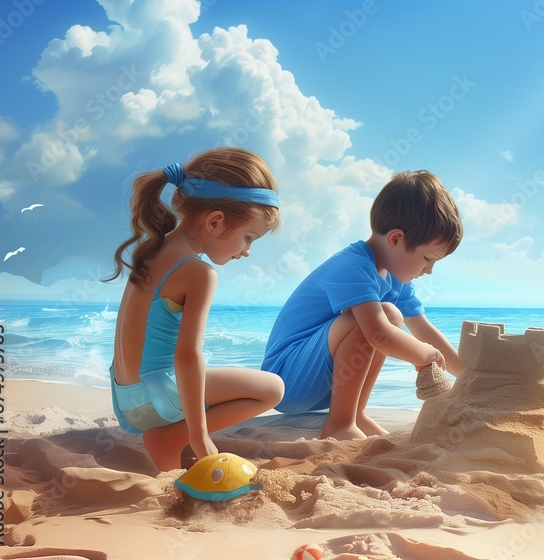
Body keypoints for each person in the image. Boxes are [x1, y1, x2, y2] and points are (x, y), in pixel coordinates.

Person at [104, 147, 285, 471]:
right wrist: (199, 434)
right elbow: (188, 357)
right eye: (248, 237)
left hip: (125, 400)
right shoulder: (198, 272)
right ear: (215, 222)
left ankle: (167, 434)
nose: (246, 251)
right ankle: (171, 438)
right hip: (156, 401)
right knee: (273, 388)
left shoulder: (153, 248)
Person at [262, 170, 464, 440]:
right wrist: (424, 354)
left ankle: (355, 414)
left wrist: (470, 376)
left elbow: (424, 330)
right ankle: (341, 424)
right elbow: (378, 334)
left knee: (389, 316)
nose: (428, 271)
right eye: (428, 258)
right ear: (395, 239)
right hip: (288, 380)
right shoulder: (354, 266)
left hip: (319, 384)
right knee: (384, 316)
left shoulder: (395, 278)